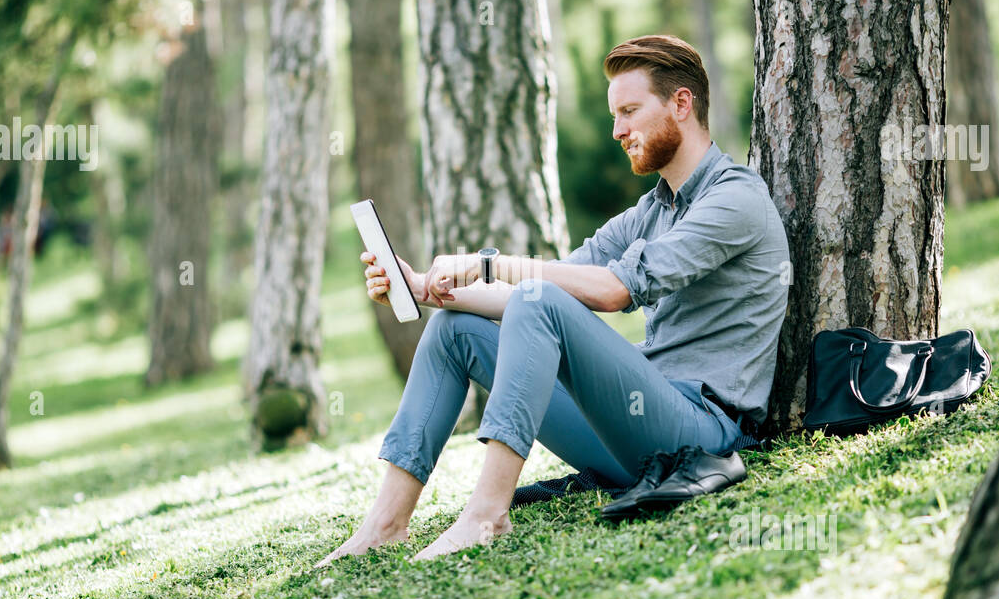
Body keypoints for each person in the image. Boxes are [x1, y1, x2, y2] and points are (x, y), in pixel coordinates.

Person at [317, 35, 789, 565]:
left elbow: (609, 292)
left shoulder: (736, 198)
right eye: (615, 115)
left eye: (630, 111)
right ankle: (386, 524)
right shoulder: (650, 213)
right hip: (629, 435)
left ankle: (486, 514)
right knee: (455, 328)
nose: (617, 131)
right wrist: (426, 288)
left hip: (701, 434)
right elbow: (551, 292)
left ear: (681, 104)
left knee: (538, 296)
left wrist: (493, 262)